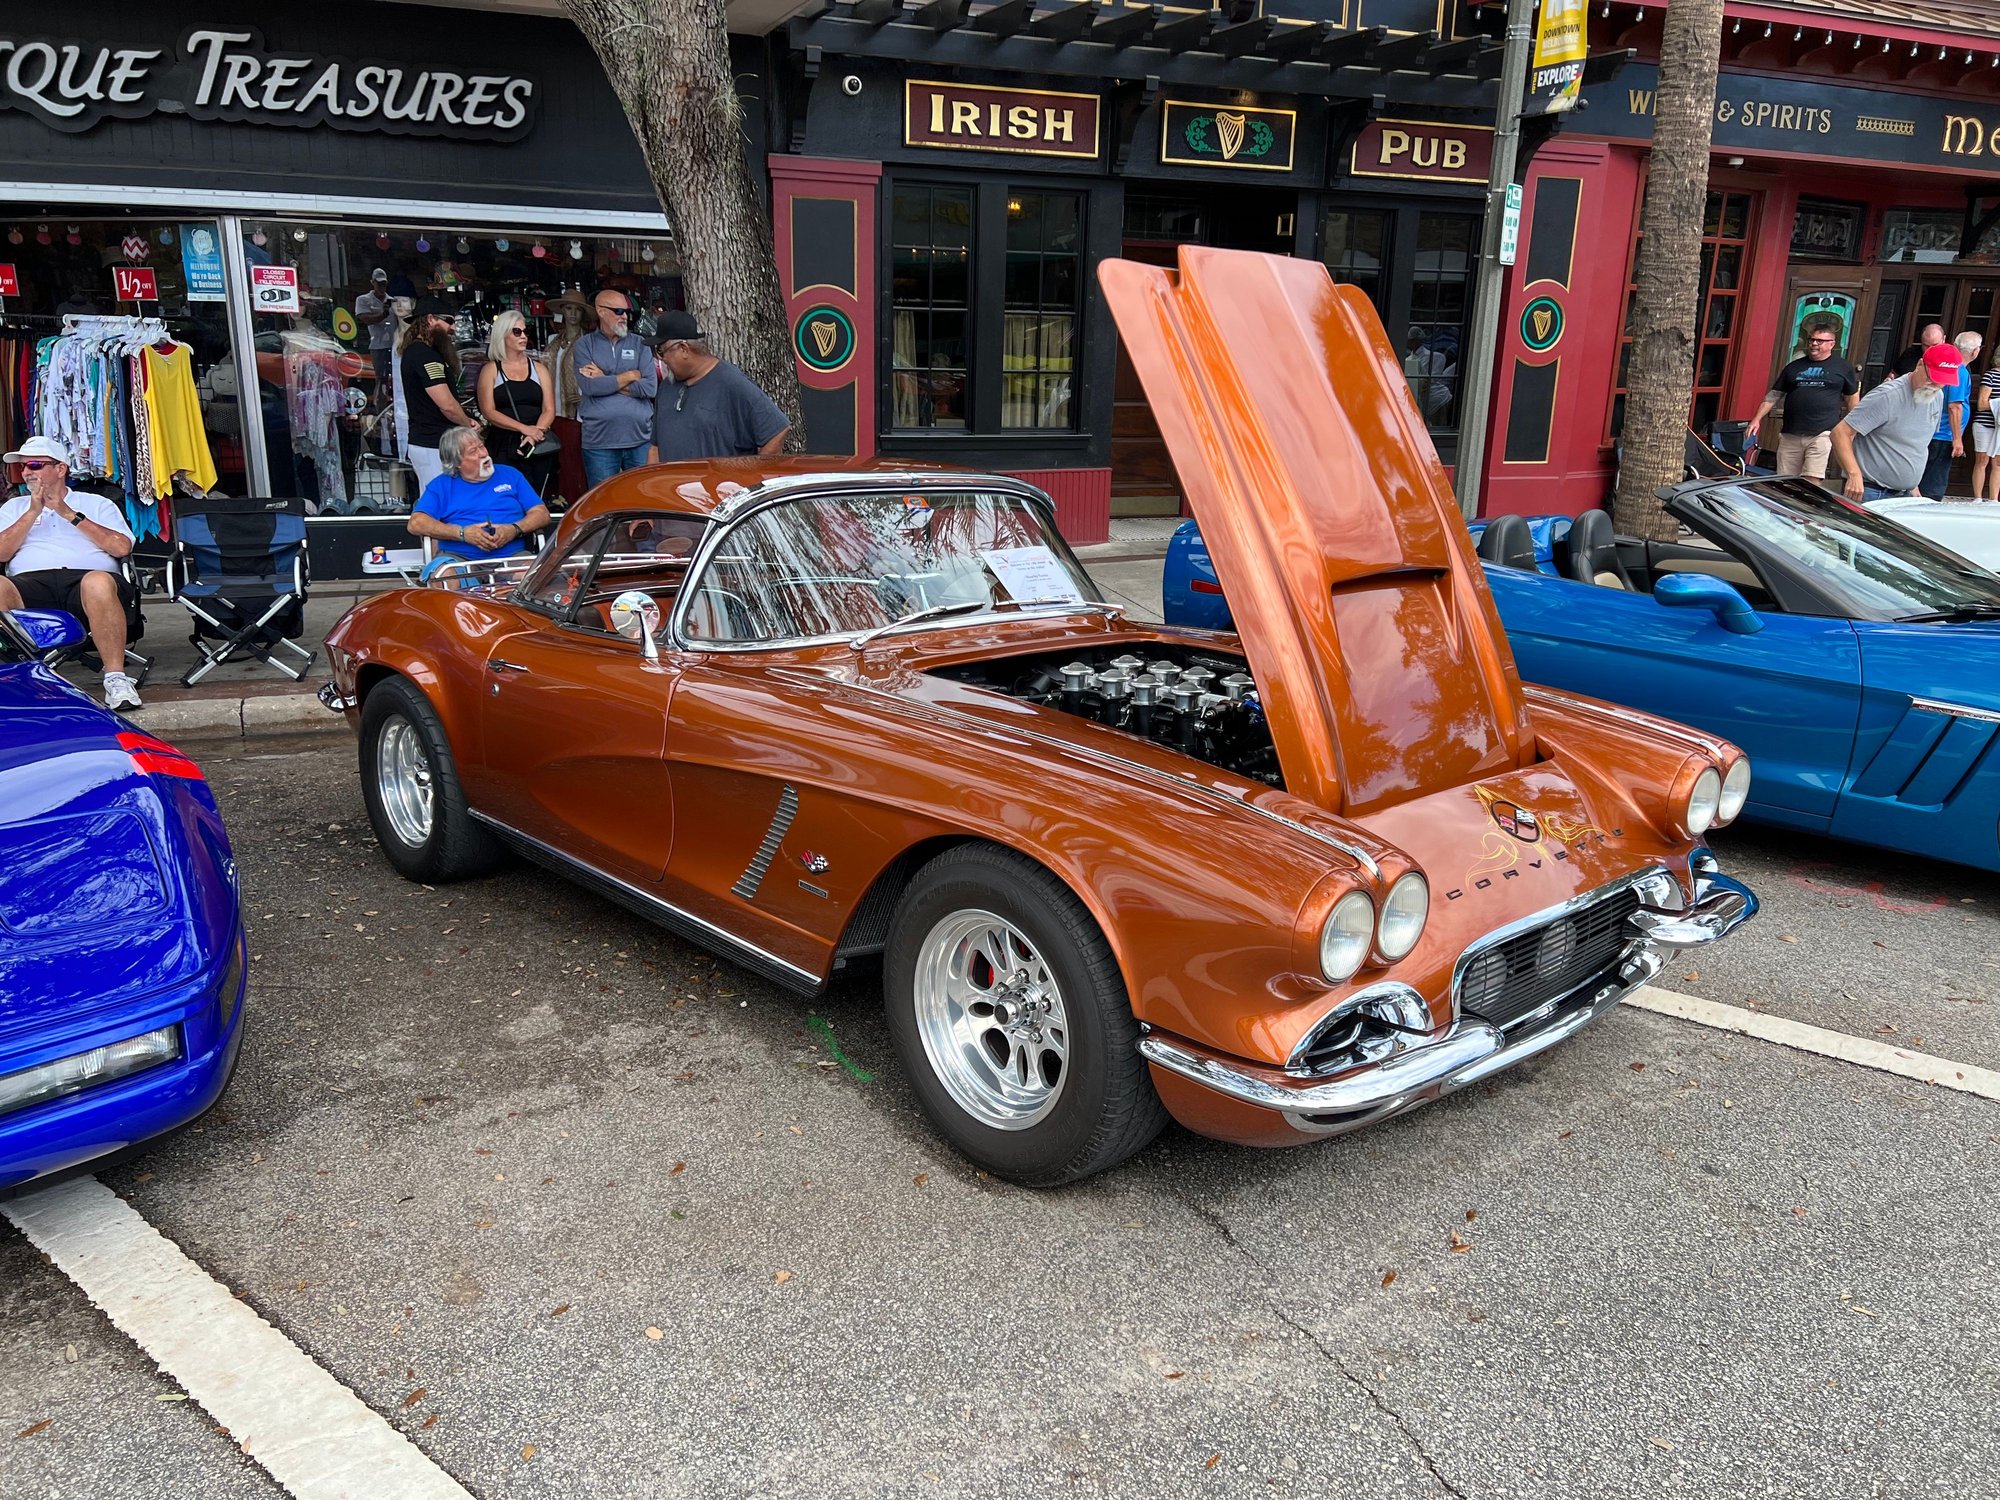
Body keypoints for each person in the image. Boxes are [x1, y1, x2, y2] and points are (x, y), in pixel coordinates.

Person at [0, 436, 142, 710]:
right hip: (31, 583)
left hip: (88, 579)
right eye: (23, 467)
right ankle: (20, 680)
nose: (26, 472)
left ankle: (116, 679)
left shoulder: (96, 504)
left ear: (60, 468)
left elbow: (121, 547)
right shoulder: (13, 508)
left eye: (34, 465)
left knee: (98, 582)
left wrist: (69, 514)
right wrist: (32, 513)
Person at [648, 311, 790, 462]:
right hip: (671, 485)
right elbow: (655, 447)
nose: (660, 359)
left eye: (661, 351)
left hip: (718, 486)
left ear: (683, 348)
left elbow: (777, 430)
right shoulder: (666, 386)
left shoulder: (731, 382)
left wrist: (753, 476)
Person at [1829, 343, 1960, 502]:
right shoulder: (1888, 396)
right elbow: (1840, 432)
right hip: (1871, 491)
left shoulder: (1937, 396)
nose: (1935, 385)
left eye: (1942, 381)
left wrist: (1913, 484)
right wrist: (1853, 473)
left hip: (1906, 493)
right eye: (1932, 377)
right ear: (1919, 364)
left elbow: (1918, 443)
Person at [407, 427, 552, 562]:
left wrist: (514, 529)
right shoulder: (441, 485)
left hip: (510, 556)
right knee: (444, 577)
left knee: (531, 578)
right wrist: (463, 533)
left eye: (481, 446)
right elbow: (416, 523)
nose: (483, 454)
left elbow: (541, 514)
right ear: (457, 462)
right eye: (473, 452)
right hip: (458, 558)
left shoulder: (510, 475)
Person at [1743, 322, 1858, 479]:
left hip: (1822, 433)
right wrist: (1756, 419)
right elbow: (1774, 395)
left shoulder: (1842, 367)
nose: (1814, 344)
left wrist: (1853, 427)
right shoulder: (1794, 367)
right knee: (1785, 481)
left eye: (1820, 341)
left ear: (1832, 344)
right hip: (1791, 433)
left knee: (1811, 479)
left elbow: (1852, 397)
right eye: (1812, 340)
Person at [575, 289, 656, 487]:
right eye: (619, 311)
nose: (625, 317)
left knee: (643, 501)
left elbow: (650, 388)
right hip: (600, 441)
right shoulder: (584, 345)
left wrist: (605, 377)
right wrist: (630, 375)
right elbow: (589, 386)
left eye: (627, 312)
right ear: (601, 311)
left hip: (640, 439)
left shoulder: (641, 344)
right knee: (604, 505)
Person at [476, 311, 555, 499]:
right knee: (505, 494)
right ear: (503, 335)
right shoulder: (491, 370)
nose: (524, 336)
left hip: (536, 442)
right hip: (504, 442)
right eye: (517, 332)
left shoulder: (538, 368)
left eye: (525, 331)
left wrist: (536, 432)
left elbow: (549, 409)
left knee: (536, 496)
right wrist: (524, 429)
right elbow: (488, 411)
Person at [400, 296, 476, 491]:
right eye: (449, 321)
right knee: (438, 506)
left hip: (433, 443)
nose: (453, 328)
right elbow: (447, 405)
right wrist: (469, 426)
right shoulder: (423, 355)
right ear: (431, 319)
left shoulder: (420, 352)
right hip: (432, 444)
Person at [1919, 331, 1981, 499]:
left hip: (1934, 432)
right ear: (1975, 351)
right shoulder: (1959, 371)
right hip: (1943, 435)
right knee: (1933, 487)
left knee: (1925, 479)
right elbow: (1954, 406)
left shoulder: (1949, 367)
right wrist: (1957, 439)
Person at [355, 268, 396, 406]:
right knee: (381, 379)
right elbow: (364, 319)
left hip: (394, 345)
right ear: (372, 282)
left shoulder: (393, 301)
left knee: (397, 379)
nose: (381, 287)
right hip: (377, 346)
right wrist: (382, 314)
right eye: (378, 284)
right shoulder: (363, 300)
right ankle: (381, 410)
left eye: (383, 284)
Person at [1973, 350, 2000, 502]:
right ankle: (1978, 498)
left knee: (1998, 463)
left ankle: (1993, 500)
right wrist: (1998, 403)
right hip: (1985, 424)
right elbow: (1982, 404)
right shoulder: (1991, 375)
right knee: (1982, 460)